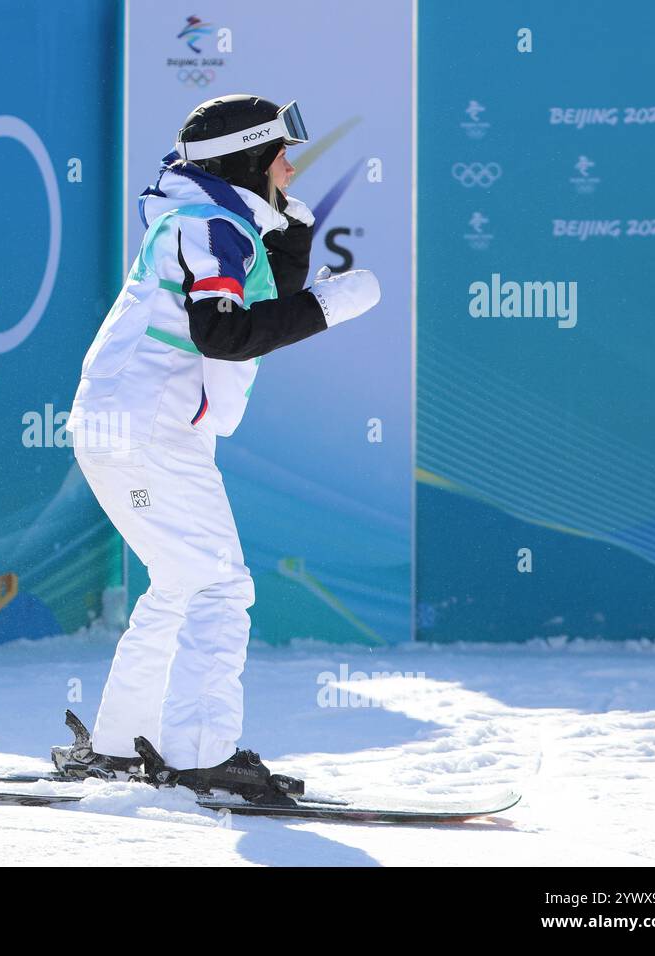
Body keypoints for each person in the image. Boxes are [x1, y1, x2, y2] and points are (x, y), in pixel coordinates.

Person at [57, 94, 381, 795]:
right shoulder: (211, 226)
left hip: (125, 429)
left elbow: (253, 309)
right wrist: (330, 305)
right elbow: (225, 335)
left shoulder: (209, 219)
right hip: (149, 434)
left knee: (183, 580)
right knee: (218, 584)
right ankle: (203, 755)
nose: (291, 168)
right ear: (248, 161)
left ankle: (119, 744)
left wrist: (291, 231)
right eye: (280, 155)